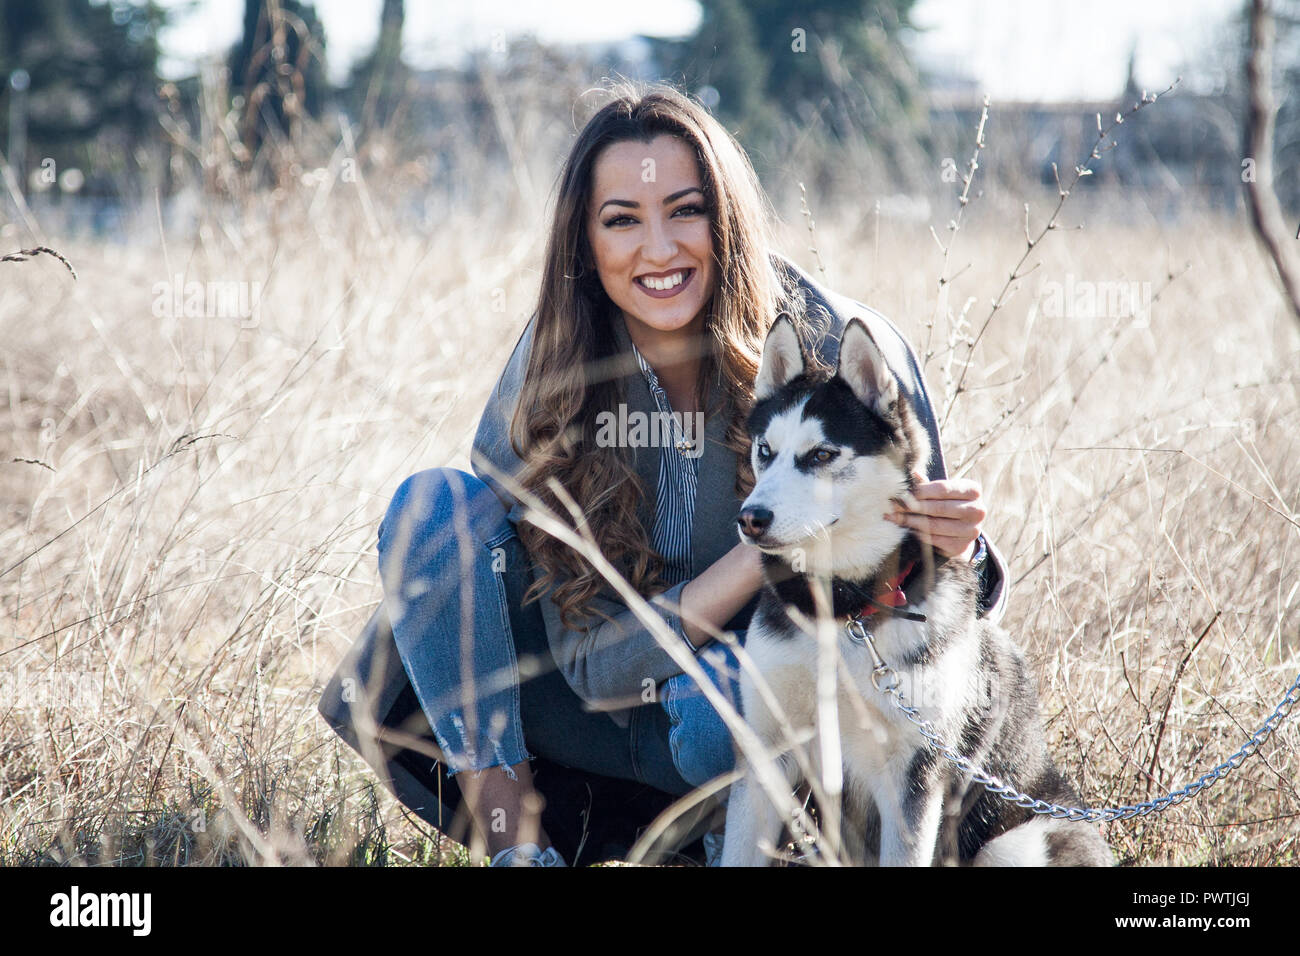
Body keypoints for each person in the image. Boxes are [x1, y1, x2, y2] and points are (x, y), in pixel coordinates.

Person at [318, 81, 1006, 867]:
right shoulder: (551, 366)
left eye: (686, 210)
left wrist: (964, 550)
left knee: (722, 700)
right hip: (578, 713)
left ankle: (735, 849)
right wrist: (762, 551)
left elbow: (942, 611)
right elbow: (588, 664)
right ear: (584, 240)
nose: (659, 249)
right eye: (622, 220)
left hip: (754, 729)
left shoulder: (830, 344)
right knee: (430, 508)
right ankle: (518, 849)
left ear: (728, 220)